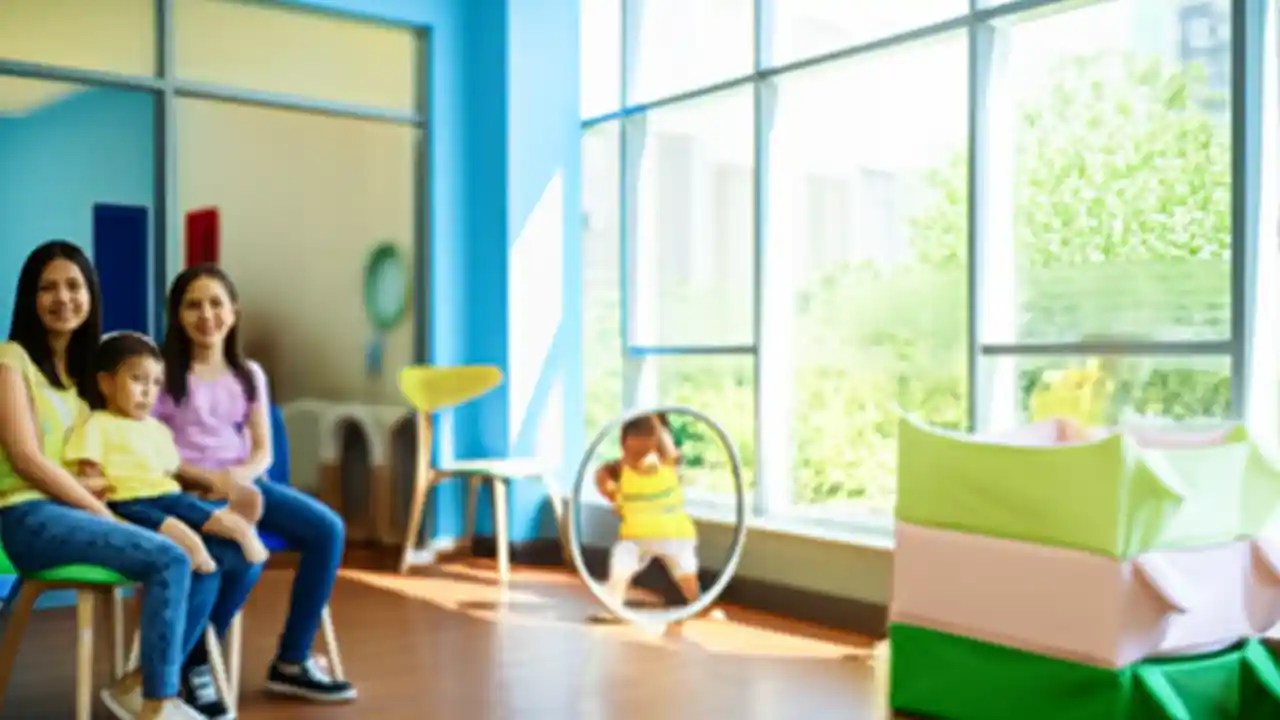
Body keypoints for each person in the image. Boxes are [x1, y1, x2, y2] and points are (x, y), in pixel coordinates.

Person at [0, 241, 219, 719]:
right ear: (29, 298)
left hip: (78, 511)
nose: (63, 298)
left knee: (207, 557)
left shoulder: (82, 378)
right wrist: (102, 511)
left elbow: (113, 451)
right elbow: (27, 459)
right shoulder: (10, 359)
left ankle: (141, 684)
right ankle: (158, 705)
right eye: (48, 287)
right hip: (27, 514)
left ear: (91, 295)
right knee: (169, 558)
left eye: (74, 286)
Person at [154, 264, 356, 712]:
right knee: (230, 555)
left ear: (233, 311)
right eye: (193, 304)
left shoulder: (249, 374)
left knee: (328, 530)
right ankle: (196, 661)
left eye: (216, 303)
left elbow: (263, 448)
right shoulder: (162, 375)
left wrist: (239, 480)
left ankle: (291, 660)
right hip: (187, 491)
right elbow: (152, 451)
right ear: (177, 314)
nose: (206, 314)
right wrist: (208, 481)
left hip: (246, 485)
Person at [65, 331, 269, 573]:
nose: (147, 391)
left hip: (166, 494)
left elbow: (173, 471)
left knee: (198, 512)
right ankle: (197, 553)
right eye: (137, 379)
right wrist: (94, 487)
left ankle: (240, 529)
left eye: (155, 383)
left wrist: (217, 485)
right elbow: (89, 471)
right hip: (127, 501)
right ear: (106, 383)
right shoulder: (96, 424)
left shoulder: (157, 430)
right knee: (175, 528)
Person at [594, 413, 722, 622]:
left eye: (647, 450)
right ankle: (614, 605)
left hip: (673, 535)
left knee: (686, 575)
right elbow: (606, 485)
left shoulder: (666, 464)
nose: (642, 459)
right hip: (635, 538)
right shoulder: (621, 471)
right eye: (634, 452)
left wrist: (654, 419)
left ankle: (698, 605)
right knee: (620, 567)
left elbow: (666, 449)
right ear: (624, 449)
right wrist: (608, 486)